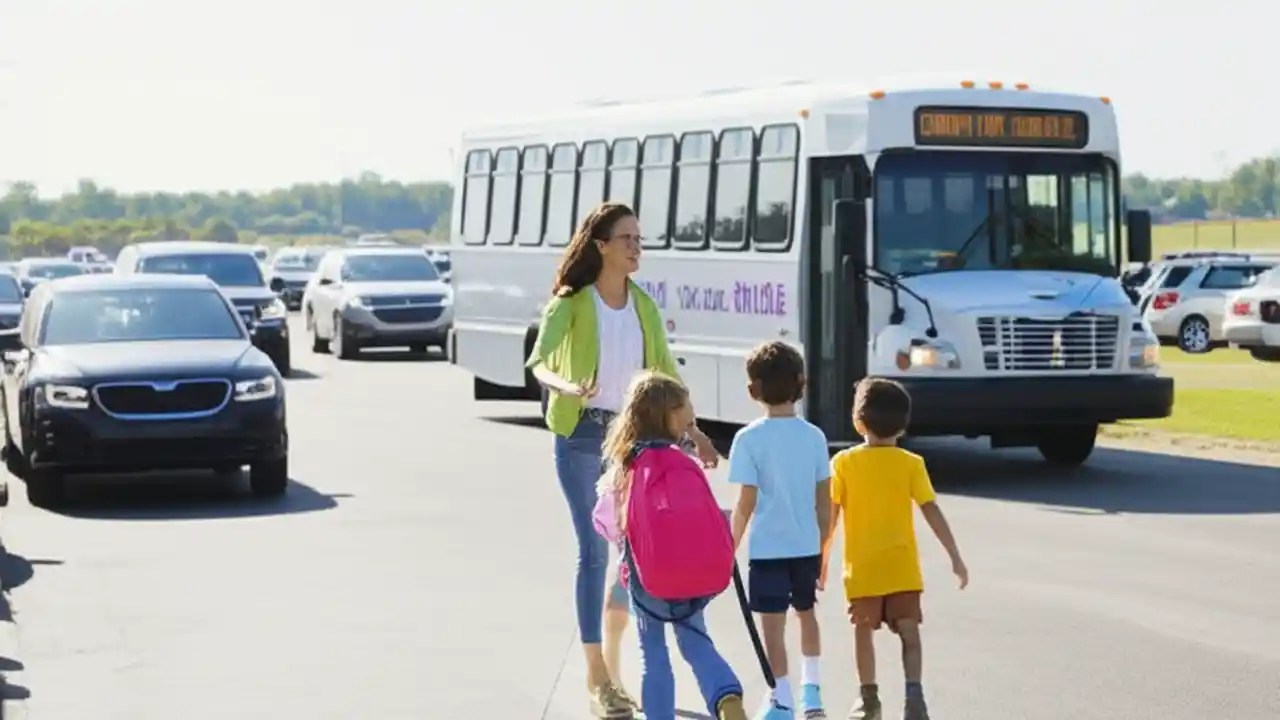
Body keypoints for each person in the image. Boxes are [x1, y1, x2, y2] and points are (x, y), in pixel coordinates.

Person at [526, 202, 721, 719]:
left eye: (639, 237)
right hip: (580, 435)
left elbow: (666, 372)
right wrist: (566, 384)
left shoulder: (643, 306)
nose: (636, 246)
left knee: (635, 551)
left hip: (632, 441)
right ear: (602, 246)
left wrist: (694, 434)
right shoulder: (571, 303)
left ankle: (611, 659)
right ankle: (597, 676)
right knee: (593, 549)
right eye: (627, 238)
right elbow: (540, 360)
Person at [599, 371, 747, 720]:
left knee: (652, 654)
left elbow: (607, 520)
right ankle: (726, 696)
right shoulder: (685, 463)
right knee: (695, 641)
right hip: (690, 576)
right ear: (672, 416)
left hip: (647, 574)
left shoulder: (626, 466)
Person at [827, 378, 969, 720]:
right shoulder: (911, 463)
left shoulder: (844, 463)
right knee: (910, 632)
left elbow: (829, 517)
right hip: (902, 566)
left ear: (858, 422)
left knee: (862, 630)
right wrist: (955, 556)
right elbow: (931, 509)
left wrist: (820, 559)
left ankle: (868, 699)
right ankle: (914, 697)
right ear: (904, 425)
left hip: (862, 570)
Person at [726, 341, 832, 720]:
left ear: (753, 390)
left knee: (772, 626)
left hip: (767, 549)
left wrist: (730, 546)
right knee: (807, 613)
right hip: (806, 546)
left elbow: (745, 503)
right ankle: (813, 693)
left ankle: (782, 697)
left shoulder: (748, 439)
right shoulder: (815, 437)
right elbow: (825, 503)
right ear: (800, 383)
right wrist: (823, 549)